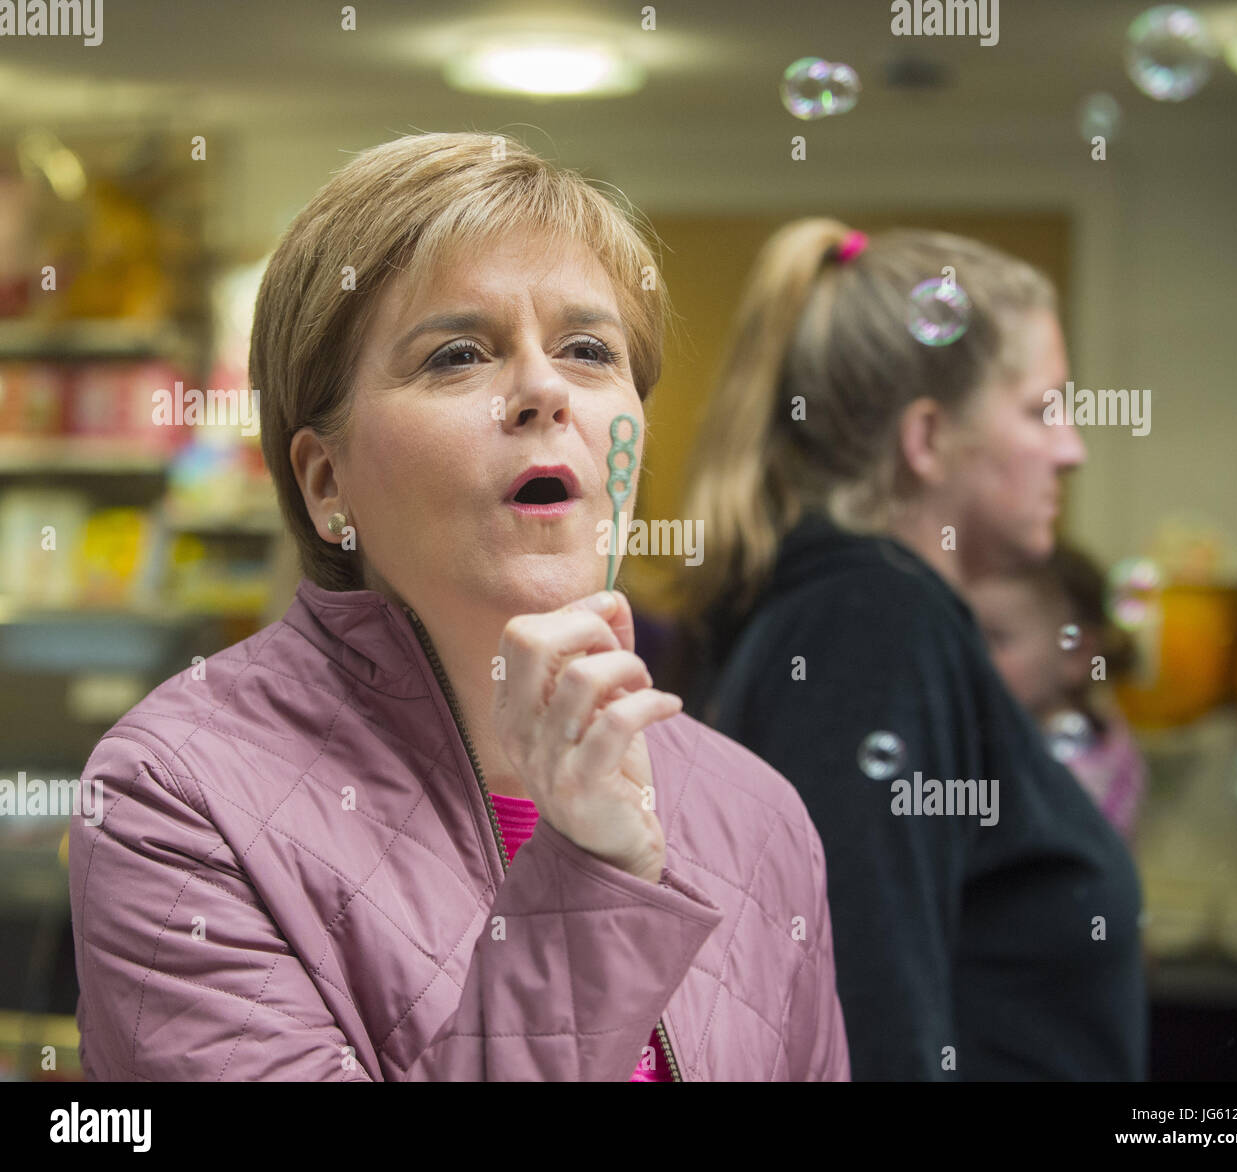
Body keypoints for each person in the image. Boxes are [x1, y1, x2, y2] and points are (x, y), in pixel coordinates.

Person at [67, 134, 850, 1082]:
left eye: (588, 350)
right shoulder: (178, 799)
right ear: (325, 484)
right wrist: (587, 871)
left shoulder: (757, 816)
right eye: (458, 355)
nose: (542, 390)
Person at [669, 219, 1147, 1080]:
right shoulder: (875, 621)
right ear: (925, 438)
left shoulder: (848, 610)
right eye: (1042, 410)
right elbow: (863, 1015)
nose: (1071, 450)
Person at [969, 544, 1148, 843]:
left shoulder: (1078, 778)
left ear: (1076, 654)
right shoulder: (1097, 739)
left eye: (995, 639)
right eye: (966, 635)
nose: (972, 655)